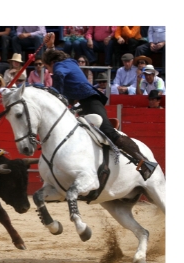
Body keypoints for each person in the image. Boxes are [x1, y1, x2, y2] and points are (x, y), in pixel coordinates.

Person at [42, 48, 157, 179]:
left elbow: (59, 74)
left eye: (47, 67)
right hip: (80, 104)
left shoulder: (60, 65)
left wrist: (57, 94)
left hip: (89, 102)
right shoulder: (69, 63)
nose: (48, 71)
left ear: (51, 62)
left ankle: (144, 162)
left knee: (108, 131)